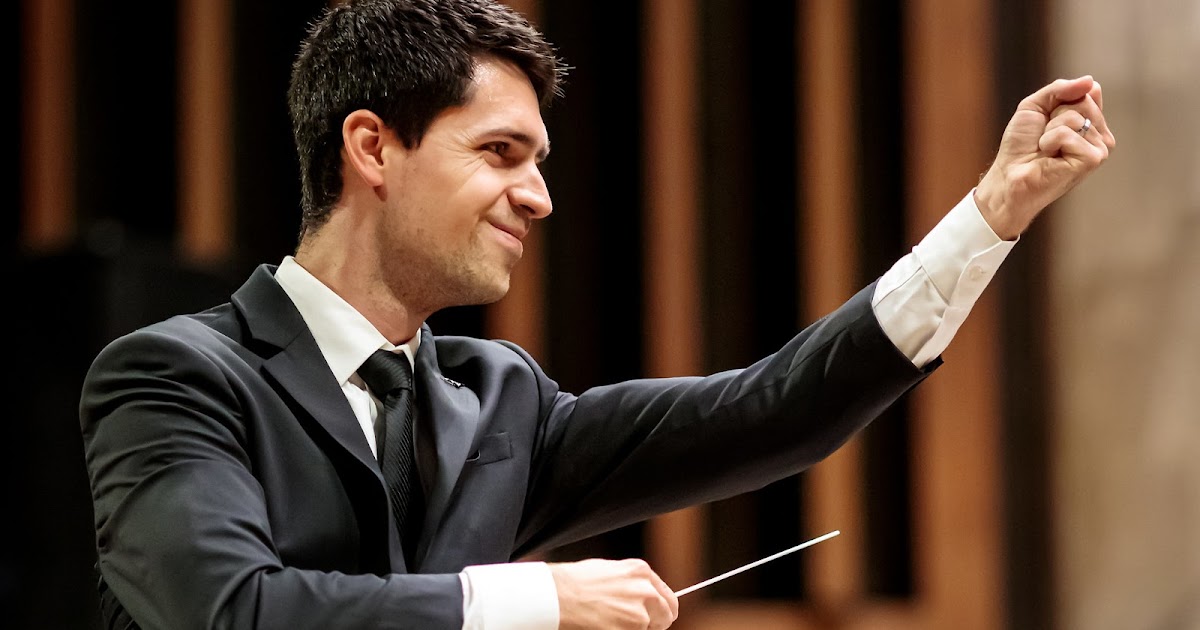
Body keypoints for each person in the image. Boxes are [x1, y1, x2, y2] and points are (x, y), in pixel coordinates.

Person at [77, 0, 1115, 628]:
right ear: (370, 148)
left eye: (541, 162)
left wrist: (992, 215)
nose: (540, 197)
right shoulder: (175, 375)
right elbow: (229, 611)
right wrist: (541, 600)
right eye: (499, 154)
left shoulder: (499, 404)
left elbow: (774, 411)